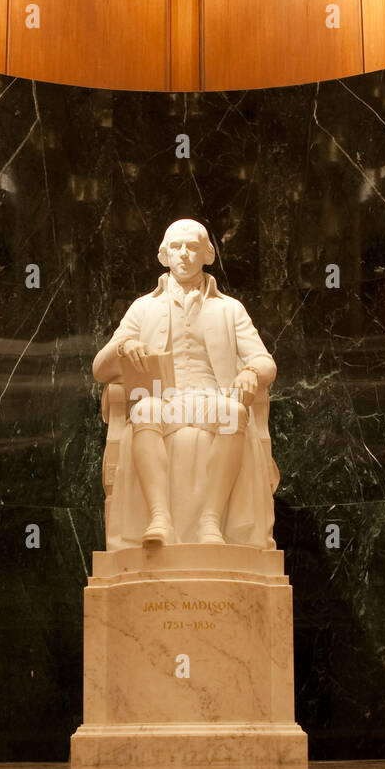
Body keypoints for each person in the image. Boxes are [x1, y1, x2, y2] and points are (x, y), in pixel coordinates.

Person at [92, 219, 279, 548]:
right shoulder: (143, 308)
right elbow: (99, 369)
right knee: (146, 409)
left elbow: (265, 361)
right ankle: (159, 517)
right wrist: (123, 348)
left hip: (212, 397)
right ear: (164, 254)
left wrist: (251, 374)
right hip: (163, 400)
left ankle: (211, 522)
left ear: (207, 254)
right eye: (176, 247)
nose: (183, 254)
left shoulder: (230, 309)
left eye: (192, 246)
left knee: (233, 413)